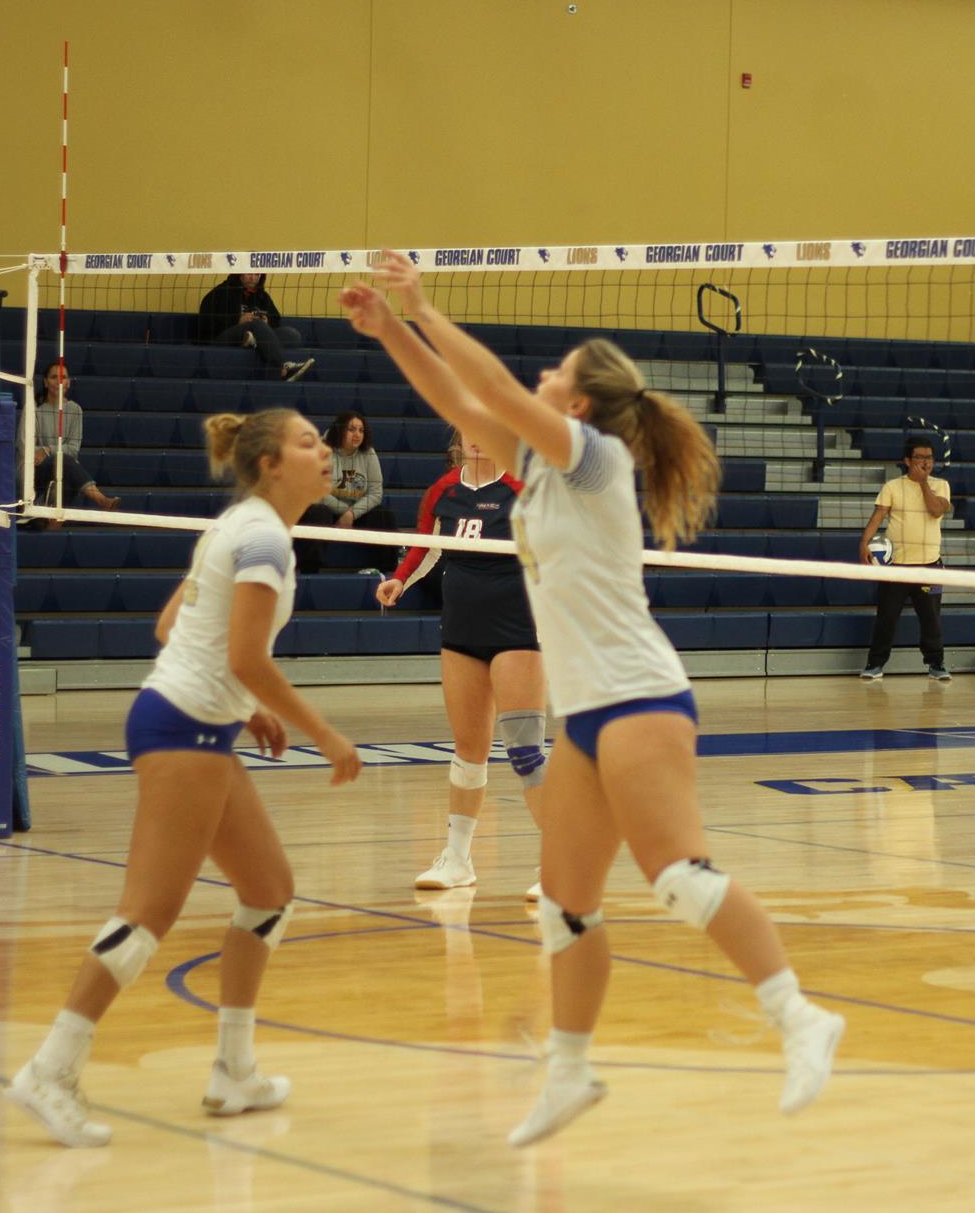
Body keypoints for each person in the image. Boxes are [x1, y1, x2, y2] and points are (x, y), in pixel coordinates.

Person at [341, 251, 843, 1148]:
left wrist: (423, 303)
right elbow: (459, 403)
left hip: (642, 697)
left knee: (678, 878)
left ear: (576, 402)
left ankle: (800, 1015)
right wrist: (391, 333)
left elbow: (486, 380)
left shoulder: (594, 456)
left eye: (556, 374)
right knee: (567, 902)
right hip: (587, 714)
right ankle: (568, 1072)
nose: (539, 377)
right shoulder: (536, 466)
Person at [5, 408, 364, 1148]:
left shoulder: (242, 525)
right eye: (307, 442)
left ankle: (235, 1069)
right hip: (183, 727)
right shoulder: (261, 536)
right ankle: (50, 1067)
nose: (323, 449)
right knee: (145, 916)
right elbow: (244, 659)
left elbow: (173, 624)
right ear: (269, 463)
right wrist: (321, 732)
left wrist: (246, 707)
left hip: (192, 719)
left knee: (268, 893)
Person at [378, 427, 547, 894]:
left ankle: (559, 865)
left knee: (525, 749)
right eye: (468, 432)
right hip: (461, 631)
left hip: (517, 629)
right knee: (468, 749)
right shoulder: (443, 490)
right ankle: (456, 860)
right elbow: (426, 546)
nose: (477, 439)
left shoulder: (524, 489)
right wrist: (400, 581)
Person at [857, 436, 952, 681]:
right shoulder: (892, 486)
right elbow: (878, 515)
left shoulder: (941, 485)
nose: (925, 462)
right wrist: (864, 543)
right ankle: (875, 664)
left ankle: (936, 664)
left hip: (930, 566)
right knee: (886, 619)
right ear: (907, 460)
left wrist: (923, 485)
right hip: (895, 567)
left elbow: (936, 510)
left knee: (932, 620)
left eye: (929, 457)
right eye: (919, 457)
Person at [295, 411, 396, 573]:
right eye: (351, 429)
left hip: (356, 512)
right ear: (340, 430)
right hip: (328, 509)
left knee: (384, 516)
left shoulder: (369, 453)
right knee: (317, 512)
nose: (357, 434)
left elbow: (376, 493)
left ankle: (390, 572)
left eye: (361, 430)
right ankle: (310, 571)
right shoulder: (322, 450)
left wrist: (352, 514)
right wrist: (344, 512)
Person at [33, 360, 120, 511]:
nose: (59, 381)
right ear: (45, 382)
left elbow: (73, 449)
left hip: (66, 470)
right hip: (40, 470)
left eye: (63, 377)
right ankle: (101, 499)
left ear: (68, 383)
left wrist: (47, 449)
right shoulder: (36, 410)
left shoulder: (75, 410)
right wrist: (49, 453)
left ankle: (52, 525)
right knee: (64, 460)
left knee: (66, 473)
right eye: (54, 377)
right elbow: (28, 448)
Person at [196, 272, 313, 381]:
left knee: (292, 335)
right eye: (249, 274)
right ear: (239, 273)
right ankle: (283, 369)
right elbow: (205, 322)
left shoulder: (262, 295)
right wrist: (237, 320)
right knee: (257, 325)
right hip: (222, 338)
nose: (253, 278)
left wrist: (268, 322)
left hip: (258, 333)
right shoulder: (221, 292)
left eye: (257, 274)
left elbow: (276, 319)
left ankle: (252, 340)